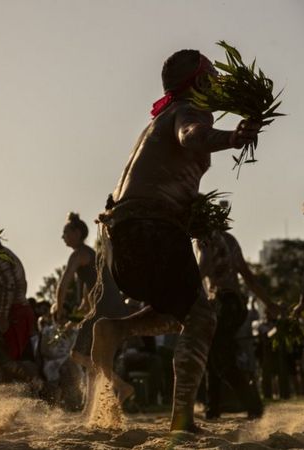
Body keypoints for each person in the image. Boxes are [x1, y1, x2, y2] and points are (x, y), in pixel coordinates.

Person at [92, 49, 263, 432]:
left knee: (180, 311)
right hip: (153, 228)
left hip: (122, 240)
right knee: (202, 316)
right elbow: (192, 137)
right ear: (200, 83)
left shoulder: (156, 123)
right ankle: (182, 420)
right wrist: (233, 136)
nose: (220, 83)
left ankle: (115, 330)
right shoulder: (189, 110)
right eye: (214, 76)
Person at [195, 229, 281, 419]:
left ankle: (253, 405)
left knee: (221, 359)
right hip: (236, 304)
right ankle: (213, 407)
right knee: (214, 355)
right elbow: (248, 277)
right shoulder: (229, 239)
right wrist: (268, 302)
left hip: (223, 304)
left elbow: (202, 270)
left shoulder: (205, 240)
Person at [54, 212, 132, 415]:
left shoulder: (79, 254)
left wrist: (58, 307)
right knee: (91, 361)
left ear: (77, 233)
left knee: (78, 355)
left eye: (65, 232)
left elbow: (63, 284)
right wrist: (74, 319)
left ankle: (121, 385)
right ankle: (89, 411)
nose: (62, 237)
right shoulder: (88, 256)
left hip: (106, 309)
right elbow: (86, 299)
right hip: (111, 308)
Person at [0, 223, 35, 364]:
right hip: (16, 313)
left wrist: (3, 316)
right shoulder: (2, 256)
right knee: (13, 362)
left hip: (13, 315)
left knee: (11, 363)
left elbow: (9, 286)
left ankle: (30, 385)